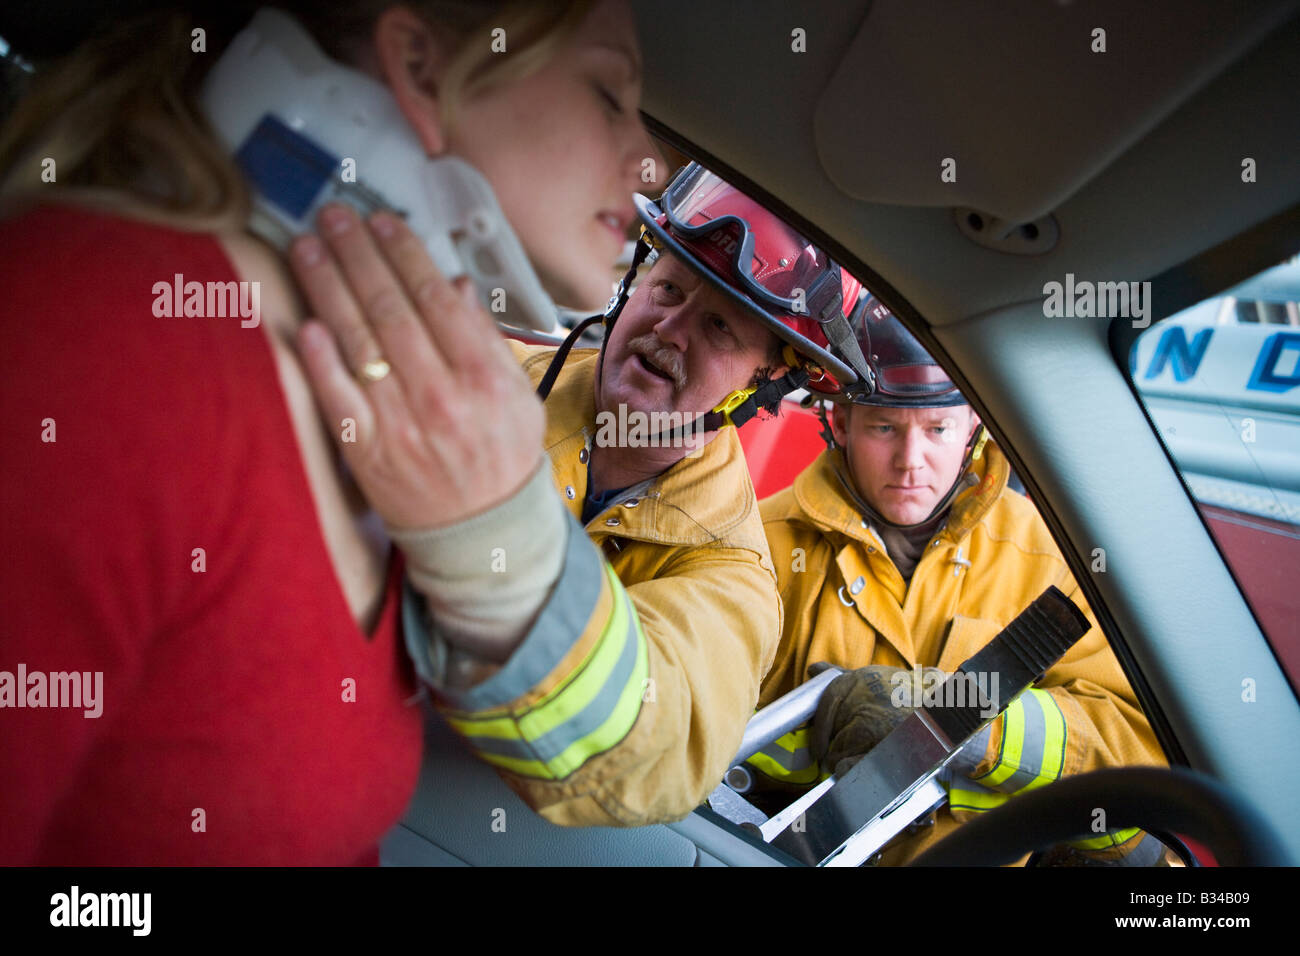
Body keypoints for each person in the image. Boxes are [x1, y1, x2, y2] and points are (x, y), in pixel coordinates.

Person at [0, 0, 664, 864]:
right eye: (610, 94)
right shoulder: (99, 343)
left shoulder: (414, 432)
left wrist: (499, 534)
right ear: (421, 70)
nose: (649, 165)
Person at [288, 161, 877, 826]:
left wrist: (486, 534)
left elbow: (649, 741)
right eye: (668, 288)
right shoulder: (474, 375)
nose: (670, 327)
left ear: (762, 387)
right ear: (633, 284)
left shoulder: (732, 580)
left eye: (719, 328)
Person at [752, 296, 1167, 865]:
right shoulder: (764, 546)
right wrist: (829, 725)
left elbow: (1135, 745)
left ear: (973, 425)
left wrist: (973, 730)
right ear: (841, 423)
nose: (910, 460)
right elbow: (706, 737)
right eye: (883, 427)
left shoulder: (1047, 558)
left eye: (938, 428)